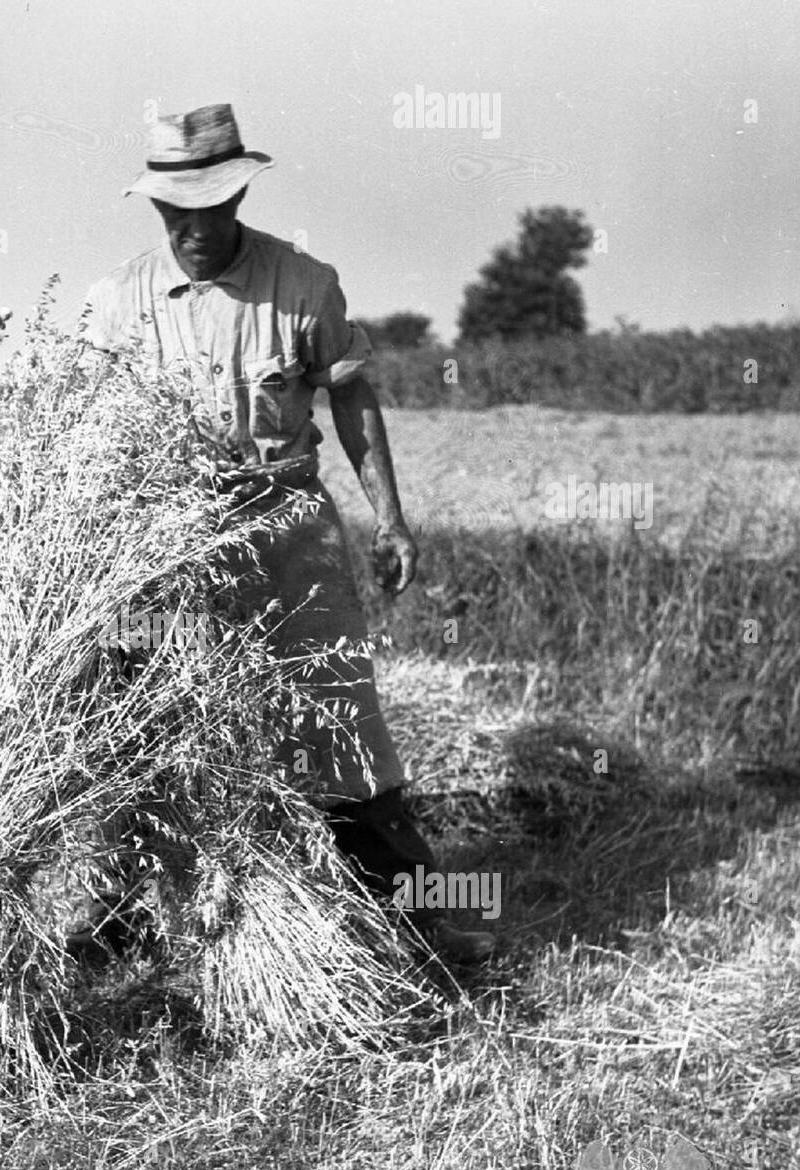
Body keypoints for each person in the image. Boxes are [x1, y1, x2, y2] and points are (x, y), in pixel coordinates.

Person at [77, 103, 493, 965]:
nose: (193, 228)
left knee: (339, 725)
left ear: (239, 198)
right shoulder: (113, 304)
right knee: (147, 730)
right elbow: (83, 436)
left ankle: (415, 926)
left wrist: (392, 518)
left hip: (285, 530)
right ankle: (135, 928)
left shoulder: (304, 284)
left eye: (212, 208)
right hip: (162, 554)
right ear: (155, 209)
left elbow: (351, 397)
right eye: (174, 212)